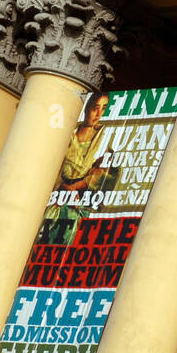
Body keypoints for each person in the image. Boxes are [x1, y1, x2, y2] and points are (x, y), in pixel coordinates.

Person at [40, 93, 113, 245]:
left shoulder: (103, 138)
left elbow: (102, 173)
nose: (98, 114)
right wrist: (66, 187)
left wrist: (75, 188)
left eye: (103, 108)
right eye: (95, 108)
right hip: (54, 198)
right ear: (86, 108)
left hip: (78, 202)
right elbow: (51, 164)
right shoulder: (69, 134)